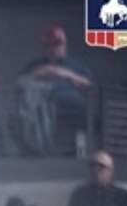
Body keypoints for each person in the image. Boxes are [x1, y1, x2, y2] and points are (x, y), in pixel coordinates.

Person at [14, 25, 91, 156]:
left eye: (57, 44)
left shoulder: (75, 65)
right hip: (41, 108)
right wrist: (43, 72)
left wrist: (64, 73)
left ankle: (79, 152)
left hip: (71, 108)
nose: (54, 48)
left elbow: (88, 84)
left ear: (64, 45)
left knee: (82, 115)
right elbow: (19, 83)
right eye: (50, 44)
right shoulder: (35, 65)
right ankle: (36, 151)